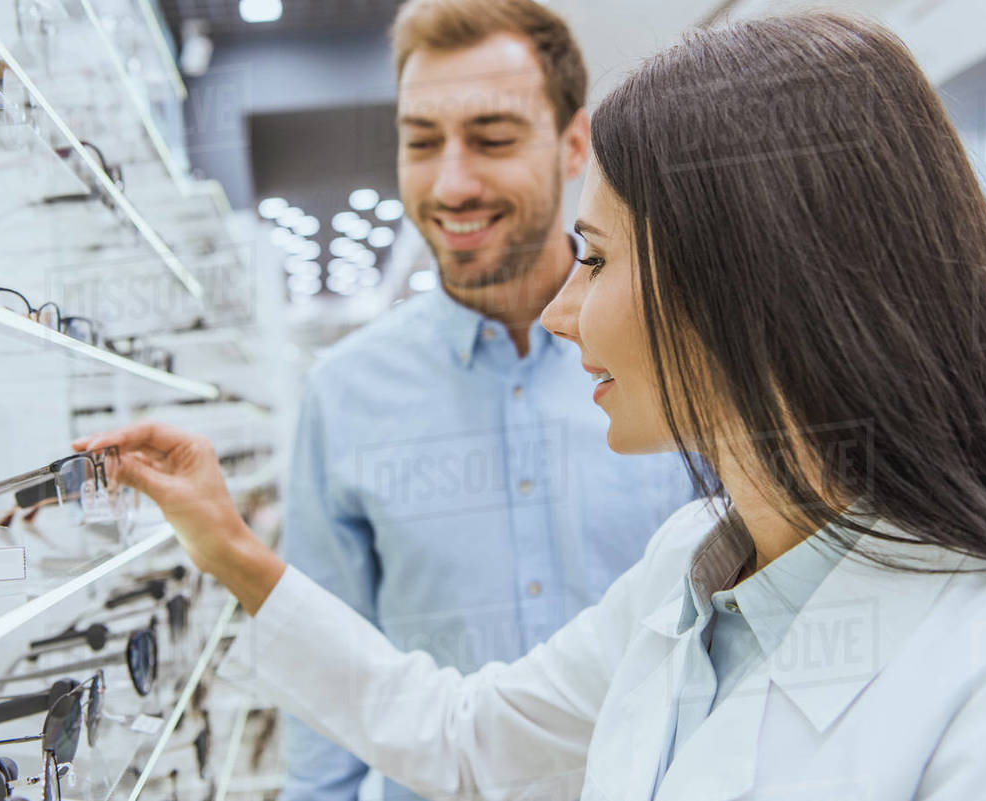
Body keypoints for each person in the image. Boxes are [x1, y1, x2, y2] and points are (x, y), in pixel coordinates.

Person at [76, 12, 986, 799]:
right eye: (421, 140)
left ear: (750, 282)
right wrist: (233, 553)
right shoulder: (690, 571)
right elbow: (468, 738)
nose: (567, 311)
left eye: (600, 259)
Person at [275, 2, 694, 801]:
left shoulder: (678, 354)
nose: (452, 182)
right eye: (421, 142)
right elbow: (326, 697)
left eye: (493, 139)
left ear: (575, 144)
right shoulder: (343, 397)